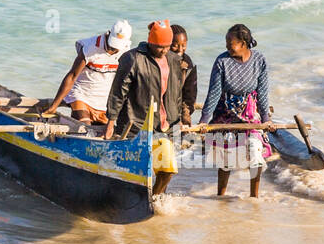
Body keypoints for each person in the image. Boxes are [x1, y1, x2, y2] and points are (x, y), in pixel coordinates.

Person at [105, 20, 185, 197]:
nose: (163, 51)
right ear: (150, 42)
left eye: (166, 46)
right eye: (158, 47)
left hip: (164, 126)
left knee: (168, 169)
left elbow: (176, 93)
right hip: (136, 126)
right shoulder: (133, 59)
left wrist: (179, 120)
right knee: (134, 173)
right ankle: (131, 201)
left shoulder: (174, 60)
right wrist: (111, 120)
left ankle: (153, 200)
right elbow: (118, 92)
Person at [199, 23, 273, 197]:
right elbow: (214, 93)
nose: (226, 47)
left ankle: (254, 197)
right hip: (225, 113)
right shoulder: (222, 62)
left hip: (249, 112)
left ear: (243, 43)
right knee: (226, 159)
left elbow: (262, 93)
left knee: (255, 153)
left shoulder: (259, 60)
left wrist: (265, 119)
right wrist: (204, 120)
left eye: (230, 43)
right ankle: (220, 196)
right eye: (226, 43)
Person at [42, 20, 133, 125]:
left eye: (116, 47)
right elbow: (72, 76)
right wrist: (54, 106)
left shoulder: (125, 50)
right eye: (112, 45)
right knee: (85, 129)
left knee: (103, 133)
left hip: (103, 101)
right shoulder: (91, 47)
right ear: (108, 34)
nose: (113, 50)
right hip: (81, 95)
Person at [171, 23, 197, 126]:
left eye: (184, 45)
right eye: (175, 45)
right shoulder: (160, 62)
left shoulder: (189, 65)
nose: (180, 50)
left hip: (178, 111)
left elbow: (190, 95)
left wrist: (186, 113)